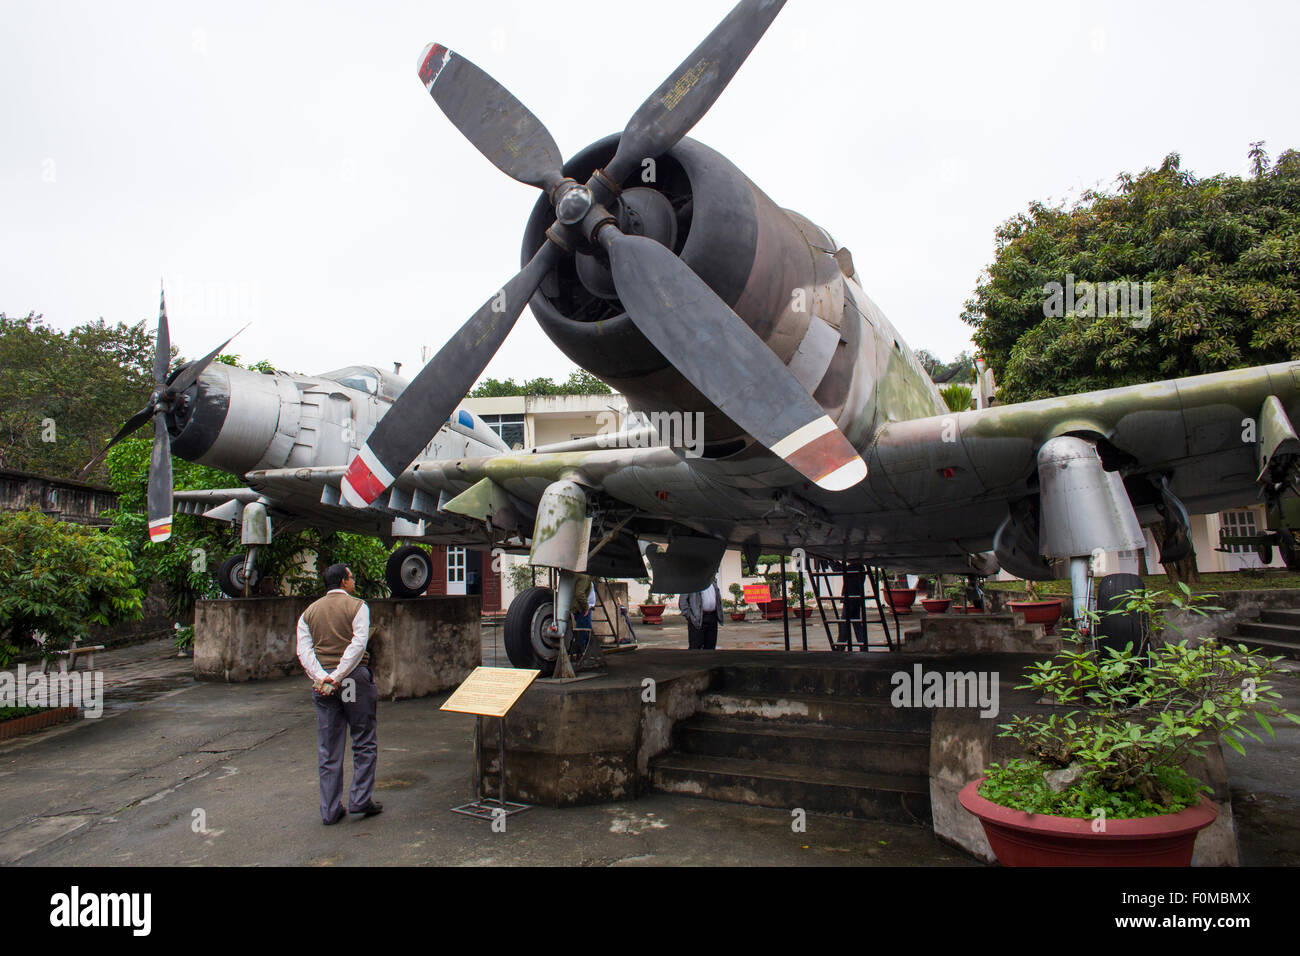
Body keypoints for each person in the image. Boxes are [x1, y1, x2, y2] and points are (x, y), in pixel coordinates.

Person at [296, 563, 382, 825]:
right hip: (351, 682)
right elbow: (358, 645)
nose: (353, 581)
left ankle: (330, 810)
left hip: (324, 686)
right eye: (352, 577)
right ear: (344, 581)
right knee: (363, 740)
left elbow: (304, 651)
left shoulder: (308, 613)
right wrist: (340, 675)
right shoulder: (358, 607)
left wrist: (322, 678)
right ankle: (360, 799)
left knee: (329, 748)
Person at [679, 579, 724, 650]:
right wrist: (690, 617)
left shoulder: (713, 581)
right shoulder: (690, 583)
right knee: (696, 647)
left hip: (712, 617)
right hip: (697, 619)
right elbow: (683, 602)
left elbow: (717, 598)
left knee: (711, 646)